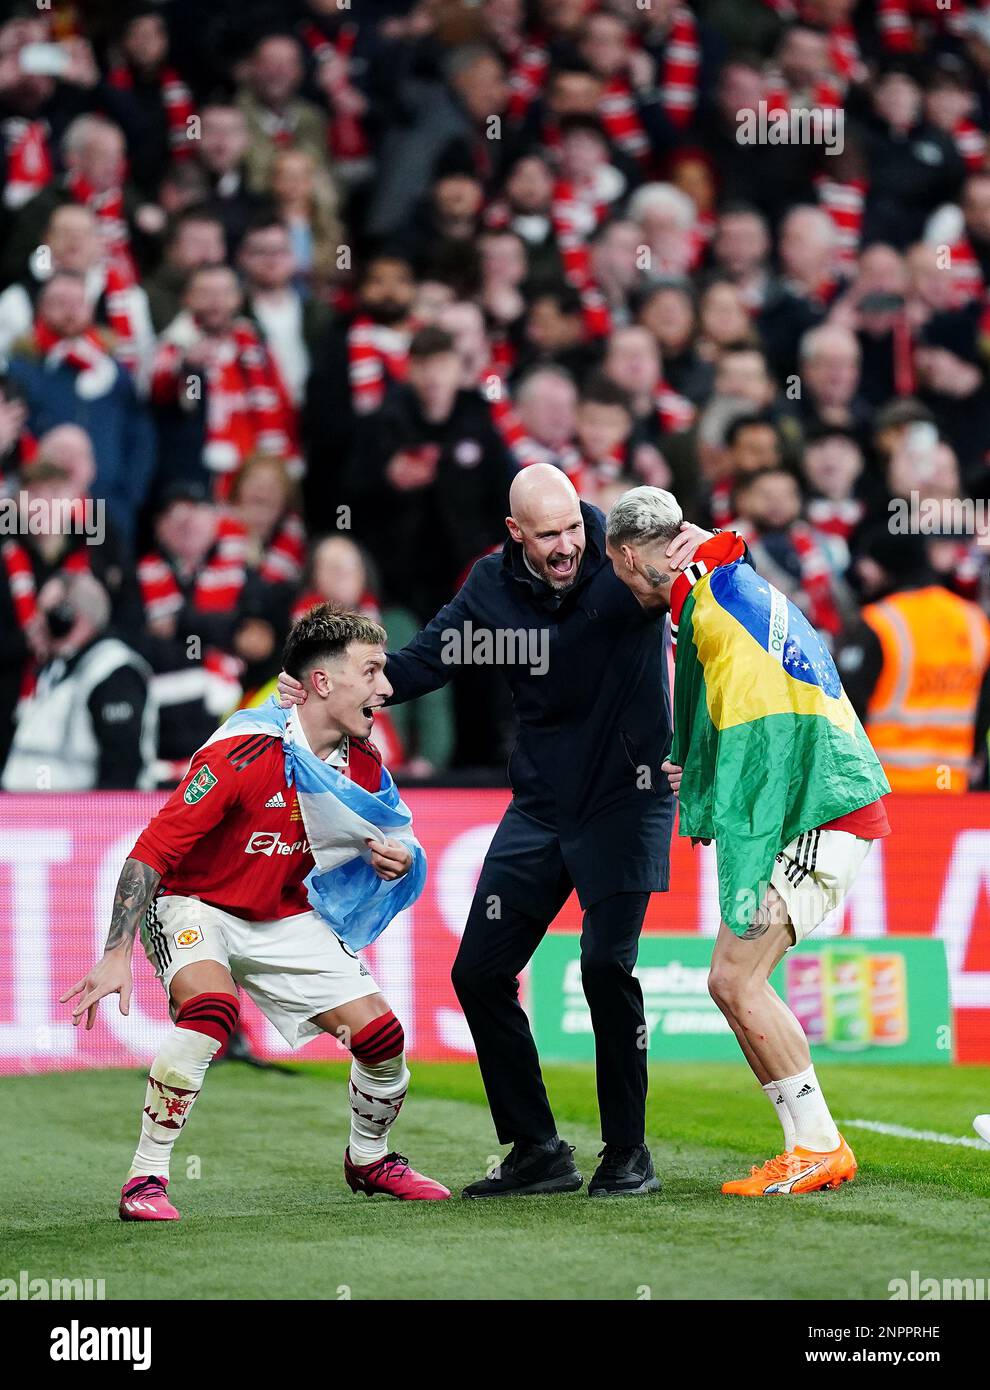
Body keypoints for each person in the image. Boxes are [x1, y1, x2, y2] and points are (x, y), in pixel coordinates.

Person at [280, 464, 711, 1198]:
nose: (569, 545)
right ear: (516, 534)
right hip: (541, 808)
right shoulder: (490, 587)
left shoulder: (629, 553)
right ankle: (538, 1150)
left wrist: (722, 554)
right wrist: (334, 679)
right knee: (477, 972)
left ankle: (629, 1153)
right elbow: (422, 663)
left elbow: (722, 611)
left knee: (606, 967)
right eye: (549, 535)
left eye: (575, 526)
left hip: (628, 800)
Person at [60, 605, 448, 1220]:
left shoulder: (364, 765)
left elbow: (381, 838)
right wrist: (115, 954)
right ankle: (145, 1178)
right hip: (197, 904)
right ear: (322, 683)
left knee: (382, 1039)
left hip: (285, 915)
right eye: (372, 670)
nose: (387, 686)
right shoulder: (243, 753)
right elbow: (151, 851)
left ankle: (369, 1158)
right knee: (213, 1012)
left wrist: (394, 859)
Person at [605, 485, 891, 1196]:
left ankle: (820, 1144)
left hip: (817, 812)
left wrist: (745, 873)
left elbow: (755, 756)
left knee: (735, 977)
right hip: (826, 797)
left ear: (639, 555)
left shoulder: (718, 615)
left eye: (614, 565)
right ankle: (807, 1143)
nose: (615, 581)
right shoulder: (722, 583)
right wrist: (696, 764)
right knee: (731, 980)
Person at [3, 571, 156, 792]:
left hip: (79, 820)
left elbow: (122, 769)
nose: (35, 623)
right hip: (34, 817)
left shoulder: (112, 670)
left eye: (47, 613)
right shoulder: (55, 670)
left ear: (70, 617)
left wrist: (100, 823)